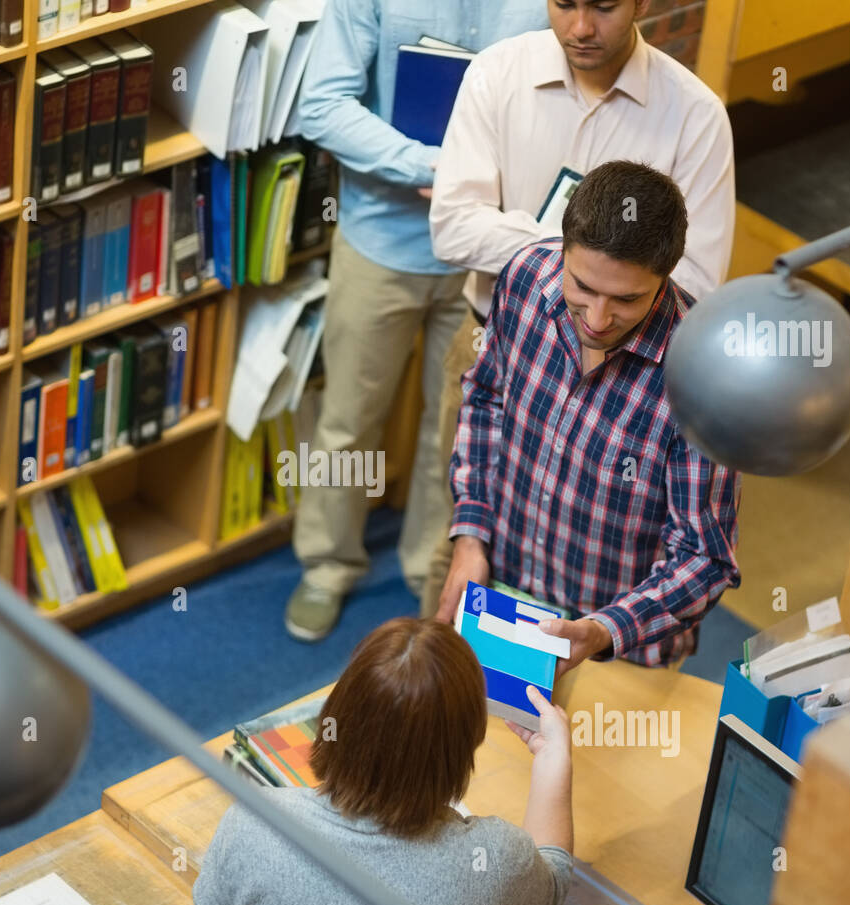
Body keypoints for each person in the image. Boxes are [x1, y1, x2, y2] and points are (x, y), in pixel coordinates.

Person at [420, 0, 736, 616]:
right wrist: (571, 255)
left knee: (597, 558)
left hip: (636, 381)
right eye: (564, 3)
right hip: (497, 338)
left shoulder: (695, 116)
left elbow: (695, 281)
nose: (581, 27)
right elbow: (453, 230)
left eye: (604, 6)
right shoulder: (496, 74)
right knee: (462, 534)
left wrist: (573, 257)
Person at [284, 0, 550, 642]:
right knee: (348, 420)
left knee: (457, 426)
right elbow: (321, 103)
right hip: (382, 239)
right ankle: (326, 563)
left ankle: (434, 569)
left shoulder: (548, 8)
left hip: (492, 252)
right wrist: (429, 166)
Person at [435, 161, 742, 695]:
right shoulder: (527, 277)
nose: (598, 318)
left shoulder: (703, 373)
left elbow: (704, 559)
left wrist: (602, 632)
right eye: (583, 287)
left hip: (620, 650)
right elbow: (485, 400)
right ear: (561, 248)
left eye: (626, 299)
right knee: (482, 769)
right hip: (504, 592)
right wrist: (470, 534)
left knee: (596, 779)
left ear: (665, 277)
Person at [184, 617, 573, 905]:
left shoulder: (251, 825)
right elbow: (548, 895)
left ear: (335, 714)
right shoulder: (497, 859)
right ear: (465, 748)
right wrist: (553, 761)